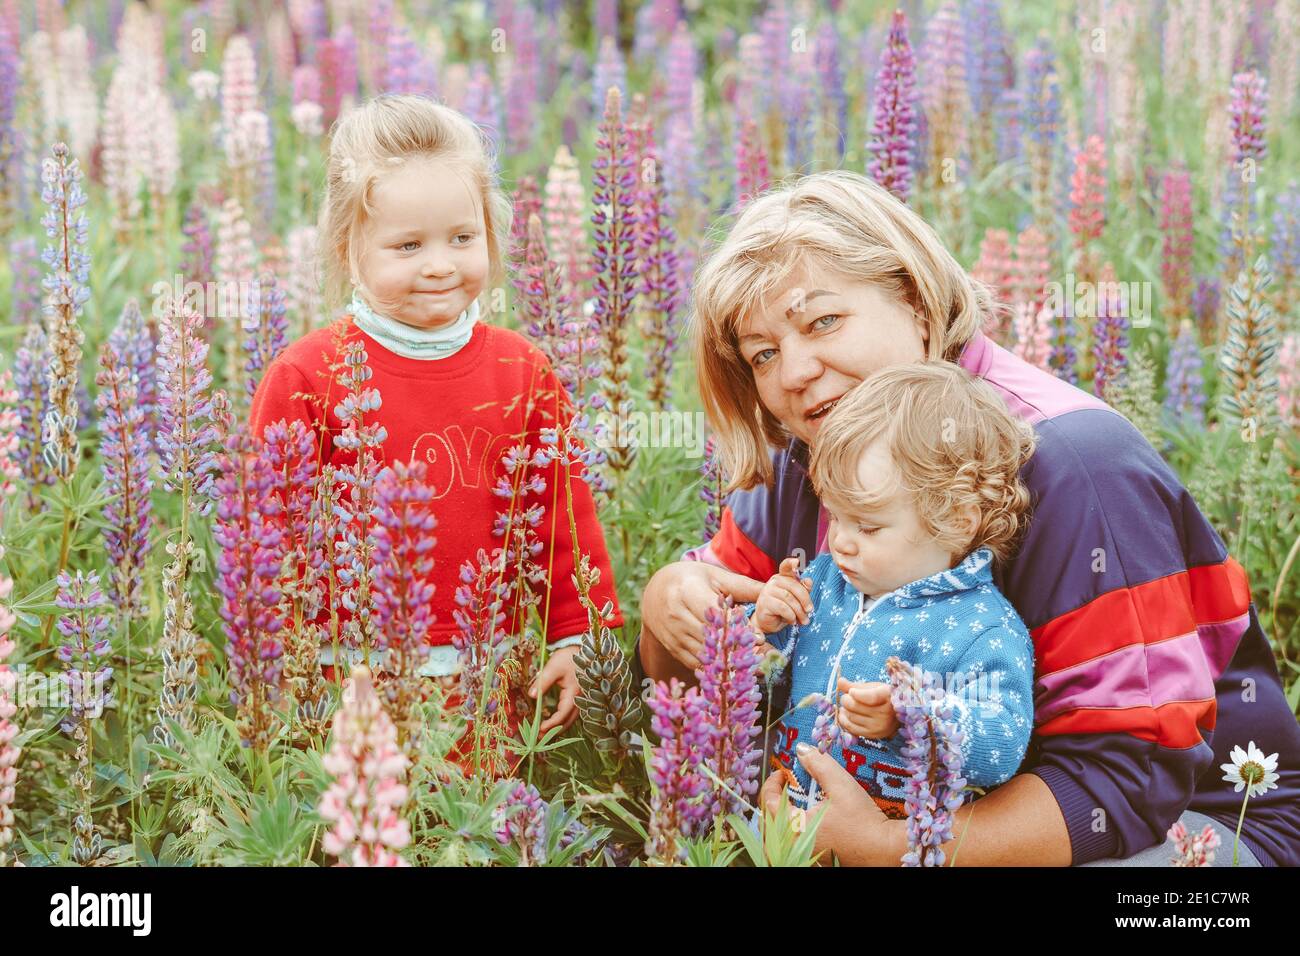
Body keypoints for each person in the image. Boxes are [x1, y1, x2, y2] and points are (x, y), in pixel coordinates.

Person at [638, 169, 1300, 866]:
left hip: (1197, 830)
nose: (795, 372)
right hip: (918, 815)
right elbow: (700, 688)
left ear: (916, 303)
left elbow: (1129, 783)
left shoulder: (1075, 466)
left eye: (823, 321)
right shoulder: (809, 453)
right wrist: (664, 608)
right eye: (763, 353)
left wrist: (897, 848)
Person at [249, 94, 620, 736]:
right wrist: (277, 661)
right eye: (408, 244)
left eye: (461, 238)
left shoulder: (522, 371)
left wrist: (578, 632)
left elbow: (562, 515)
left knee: (468, 828)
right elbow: (269, 535)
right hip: (346, 676)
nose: (441, 264)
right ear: (348, 251)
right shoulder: (306, 376)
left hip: (488, 671)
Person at [748, 363, 1036, 819]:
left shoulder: (981, 627)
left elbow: (1001, 743)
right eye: (835, 517)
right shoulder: (825, 582)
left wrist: (908, 719)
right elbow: (762, 688)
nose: (840, 541)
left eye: (868, 525)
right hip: (787, 826)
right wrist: (764, 628)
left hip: (896, 841)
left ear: (957, 522)